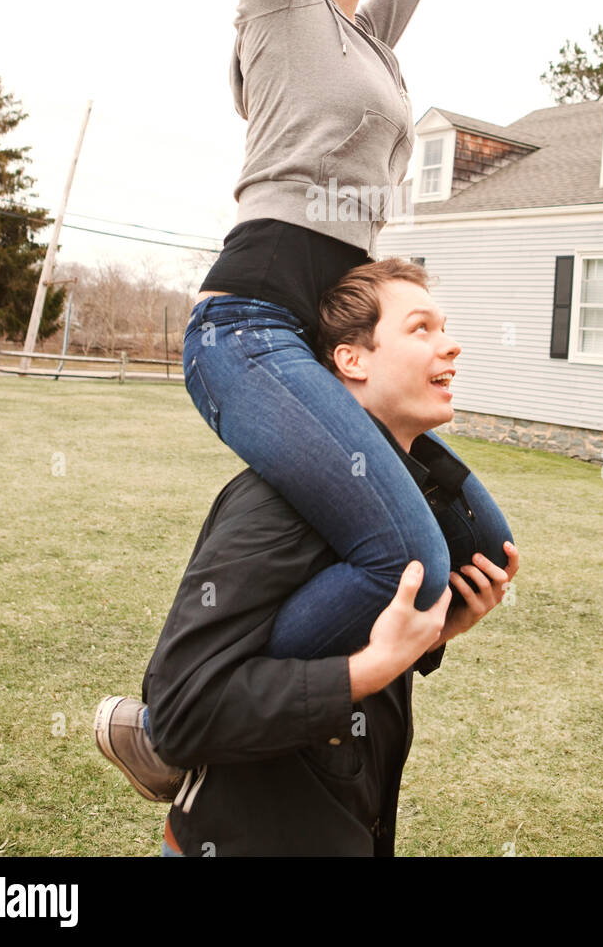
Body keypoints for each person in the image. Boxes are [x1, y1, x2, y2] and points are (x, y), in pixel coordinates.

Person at [180, 0, 513, 661]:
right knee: (405, 553)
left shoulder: (374, 41)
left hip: (327, 337)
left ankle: (343, 695)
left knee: (478, 544)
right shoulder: (276, 7)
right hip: (248, 330)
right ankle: (194, 705)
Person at [95, 259, 519, 857]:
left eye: (444, 327)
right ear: (352, 360)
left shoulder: (404, 498)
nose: (451, 344)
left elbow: (335, 640)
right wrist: (369, 670)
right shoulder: (275, 503)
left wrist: (433, 632)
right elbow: (185, 710)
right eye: (421, 328)